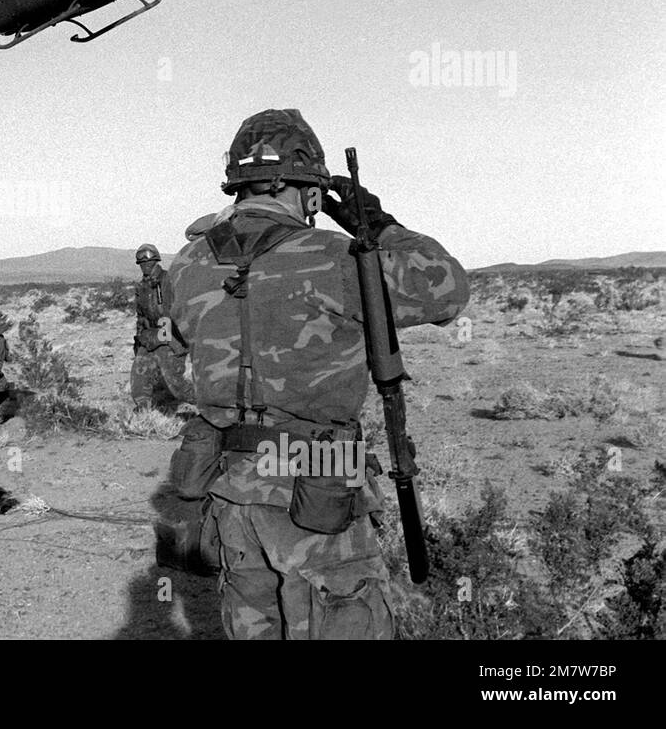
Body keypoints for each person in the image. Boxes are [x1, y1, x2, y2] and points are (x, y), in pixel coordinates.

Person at [167, 108, 469, 639]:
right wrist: (375, 223)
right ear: (308, 189)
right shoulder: (338, 257)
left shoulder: (187, 264)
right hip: (319, 485)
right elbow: (447, 290)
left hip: (232, 488)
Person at [130, 244, 190, 412]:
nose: (145, 265)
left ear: (157, 261)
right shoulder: (141, 287)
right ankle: (144, 413)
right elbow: (141, 318)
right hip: (149, 339)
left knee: (175, 385)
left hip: (171, 338)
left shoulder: (169, 281)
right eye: (141, 262)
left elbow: (181, 312)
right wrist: (139, 342)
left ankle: (208, 406)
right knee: (138, 378)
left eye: (149, 261)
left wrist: (183, 342)